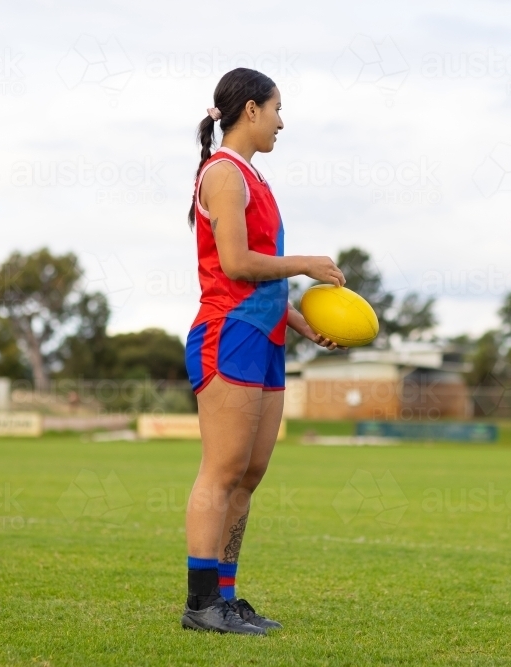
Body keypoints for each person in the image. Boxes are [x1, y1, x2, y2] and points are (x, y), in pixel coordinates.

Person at [181, 68, 345, 635]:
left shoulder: (254, 176)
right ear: (250, 110)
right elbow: (235, 266)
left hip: (265, 336)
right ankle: (201, 604)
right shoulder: (224, 174)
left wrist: (298, 321)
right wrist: (305, 263)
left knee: (247, 475)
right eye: (277, 109)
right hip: (227, 336)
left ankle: (225, 598)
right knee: (221, 471)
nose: (281, 121)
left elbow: (262, 280)